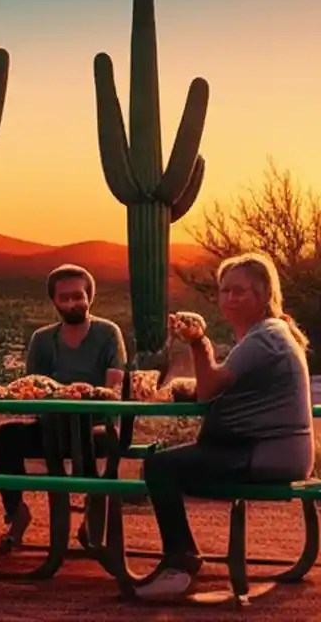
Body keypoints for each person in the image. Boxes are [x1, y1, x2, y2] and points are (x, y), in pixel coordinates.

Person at [135, 252, 314, 601]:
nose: (230, 298)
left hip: (269, 453)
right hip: (262, 449)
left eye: (240, 291)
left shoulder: (265, 337)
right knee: (169, 465)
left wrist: (198, 342)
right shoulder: (264, 335)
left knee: (160, 465)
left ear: (263, 296)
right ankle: (181, 558)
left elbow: (209, 388)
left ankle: (181, 563)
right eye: (225, 291)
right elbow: (214, 387)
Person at [0, 264, 128, 551]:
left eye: (77, 296)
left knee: (100, 444)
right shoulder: (42, 339)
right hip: (51, 426)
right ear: (53, 300)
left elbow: (114, 387)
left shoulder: (108, 334)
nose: (71, 303)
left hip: (95, 428)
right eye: (63, 297)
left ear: (90, 296)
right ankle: (17, 514)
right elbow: (33, 387)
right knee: (5, 437)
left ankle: (92, 516)